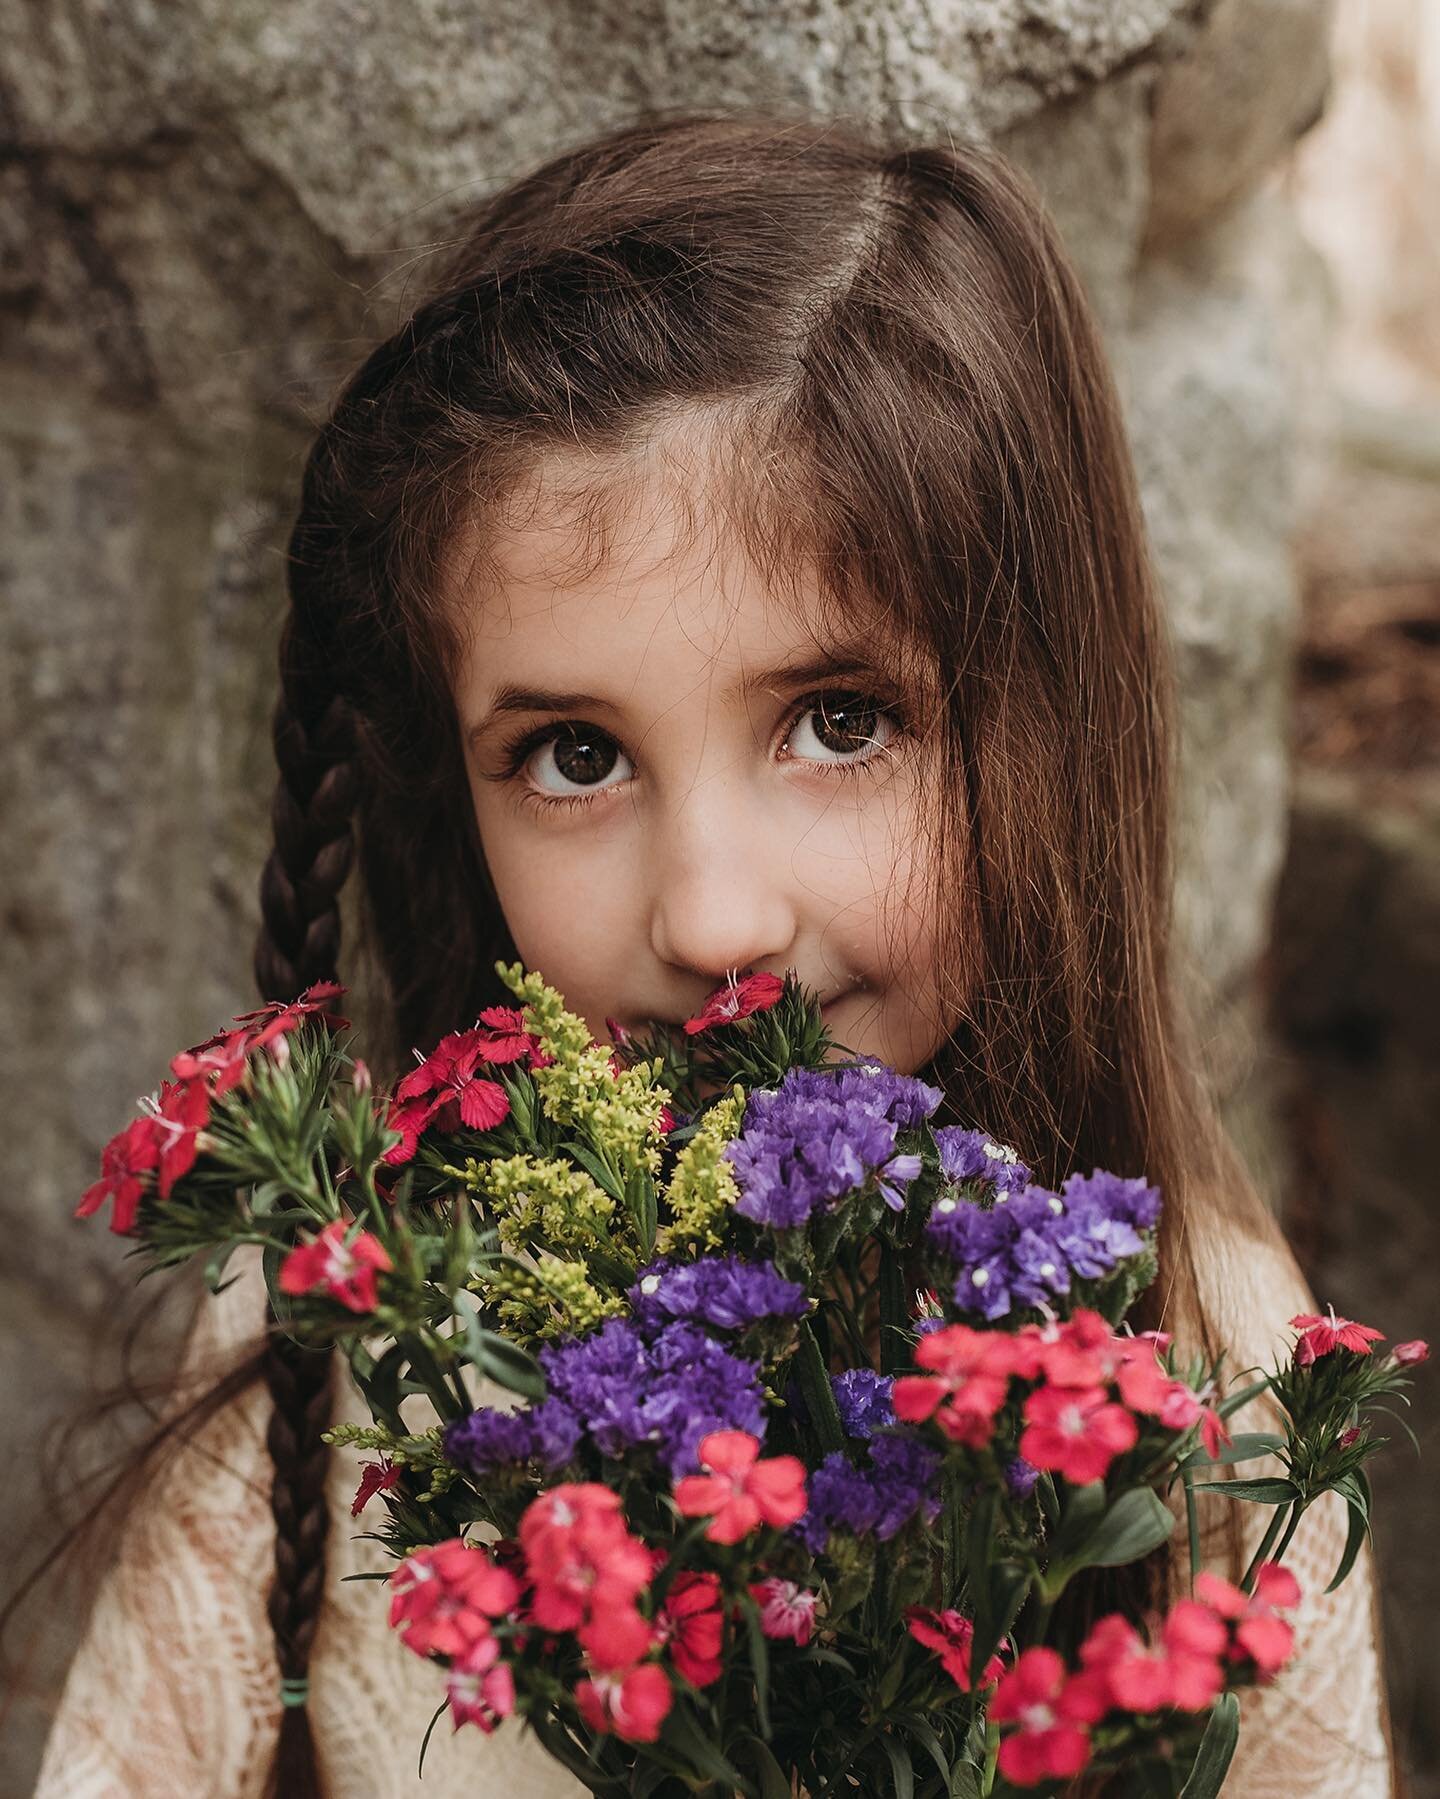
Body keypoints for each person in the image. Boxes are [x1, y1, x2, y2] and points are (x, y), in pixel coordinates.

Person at [24, 110, 1395, 1797]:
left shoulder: (1207, 1365)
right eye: (575, 758)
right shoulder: (355, 1323)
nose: (715, 922)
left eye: (839, 721)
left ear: (1050, 719)